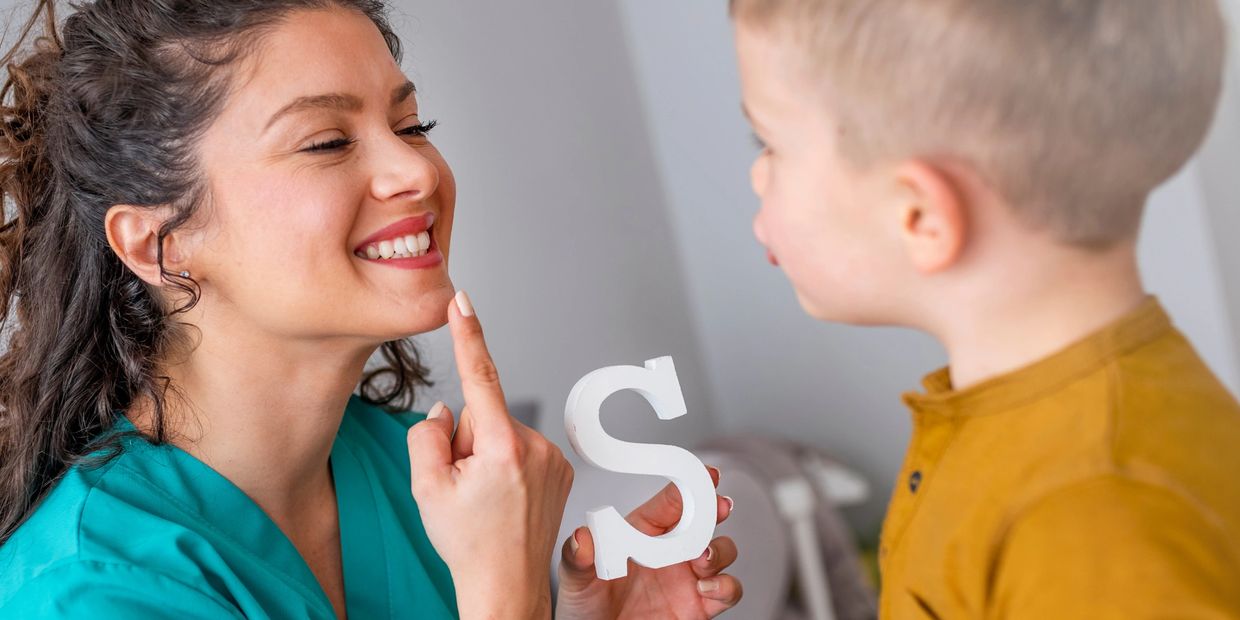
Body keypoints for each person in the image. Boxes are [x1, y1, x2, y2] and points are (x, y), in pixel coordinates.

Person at [0, 1, 741, 617]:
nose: (416, 169)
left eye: (412, 126)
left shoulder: (420, 476)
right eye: (326, 142)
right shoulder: (87, 590)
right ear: (159, 244)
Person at [728, 0, 1240, 617]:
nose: (758, 177)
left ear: (919, 215)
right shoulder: (1054, 433)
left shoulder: (1091, 521)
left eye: (769, 144)